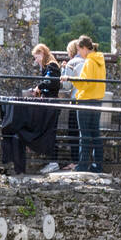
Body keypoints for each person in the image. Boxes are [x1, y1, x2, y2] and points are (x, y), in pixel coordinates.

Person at [73, 35, 106, 172]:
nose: (79, 53)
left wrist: (71, 79)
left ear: (84, 48)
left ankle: (82, 165)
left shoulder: (89, 62)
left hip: (85, 100)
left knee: (84, 135)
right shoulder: (100, 61)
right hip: (97, 100)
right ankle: (97, 165)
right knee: (95, 134)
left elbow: (84, 84)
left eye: (79, 50)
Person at [28, 43, 61, 172]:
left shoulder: (51, 66)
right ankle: (51, 160)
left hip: (51, 103)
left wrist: (39, 87)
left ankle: (53, 161)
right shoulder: (48, 66)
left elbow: (50, 81)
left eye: (37, 57)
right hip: (49, 102)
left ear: (42, 53)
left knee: (50, 132)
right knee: (47, 131)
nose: (36, 61)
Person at [60, 38, 84, 169]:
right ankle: (83, 161)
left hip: (75, 100)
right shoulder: (88, 61)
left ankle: (75, 161)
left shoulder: (72, 63)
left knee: (73, 132)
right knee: (86, 132)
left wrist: (64, 70)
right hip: (89, 100)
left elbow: (66, 85)